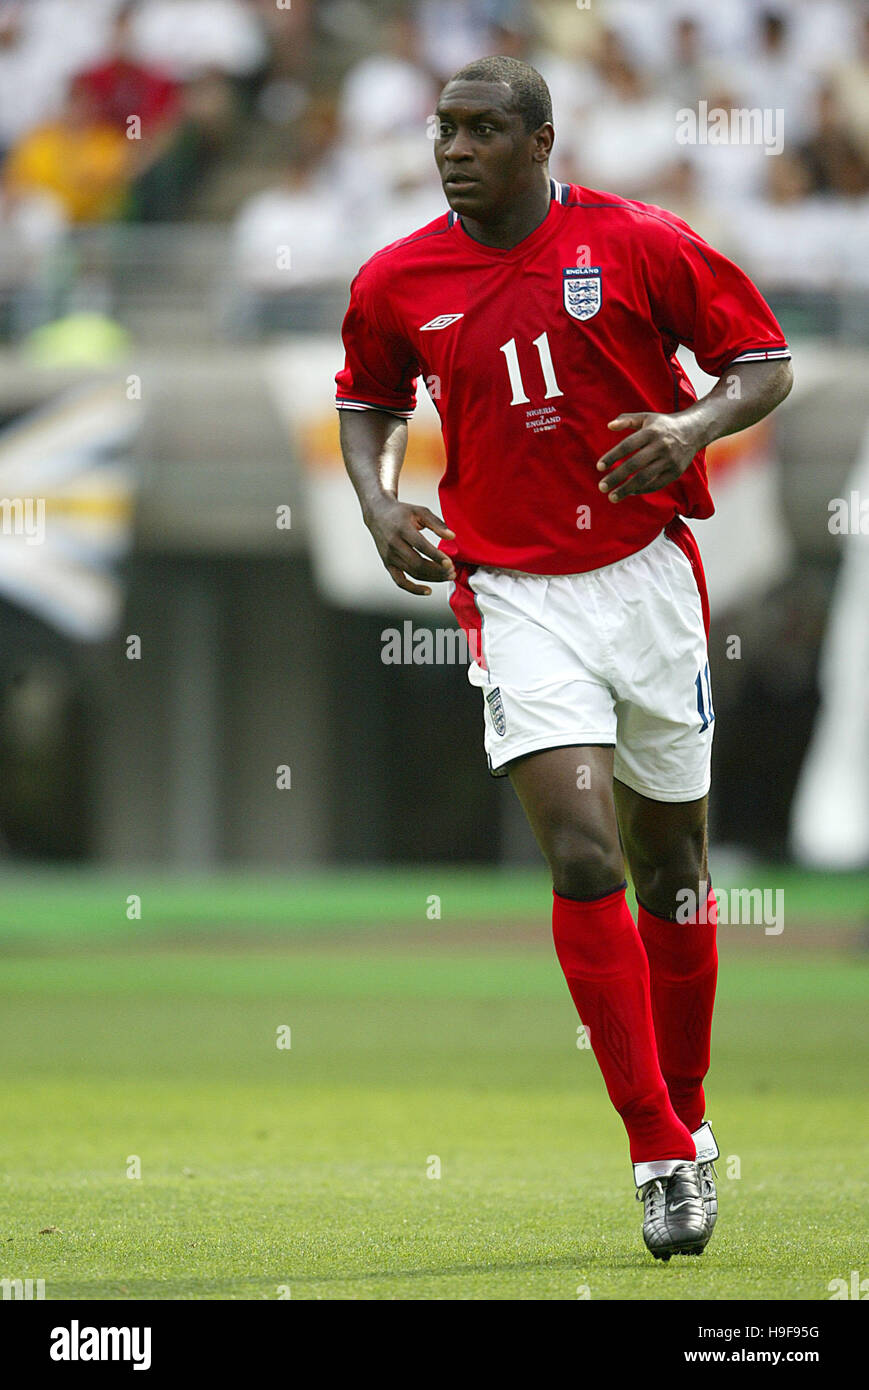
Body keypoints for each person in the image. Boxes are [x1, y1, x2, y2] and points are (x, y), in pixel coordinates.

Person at [335, 55, 793, 1261]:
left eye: (483, 129)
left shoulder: (639, 243)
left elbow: (763, 362)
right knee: (582, 849)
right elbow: (365, 398)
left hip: (645, 584)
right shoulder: (394, 278)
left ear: (542, 143)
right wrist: (379, 503)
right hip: (517, 592)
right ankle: (652, 1146)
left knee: (672, 869)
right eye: (443, 129)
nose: (454, 148)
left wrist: (689, 425)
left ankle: (688, 1117)